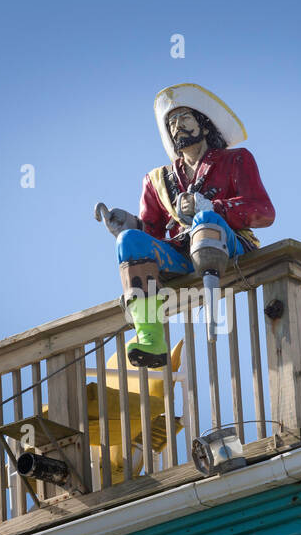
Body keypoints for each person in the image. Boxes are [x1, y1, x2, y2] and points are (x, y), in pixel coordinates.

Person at [96, 84, 275, 367]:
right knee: (129, 240)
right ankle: (151, 339)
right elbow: (153, 235)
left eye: (184, 118)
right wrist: (128, 225)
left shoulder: (237, 159)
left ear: (204, 125)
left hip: (230, 244)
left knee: (206, 222)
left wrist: (212, 207)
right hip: (182, 252)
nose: (176, 126)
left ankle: (213, 314)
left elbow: (263, 212)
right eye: (171, 122)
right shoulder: (157, 180)